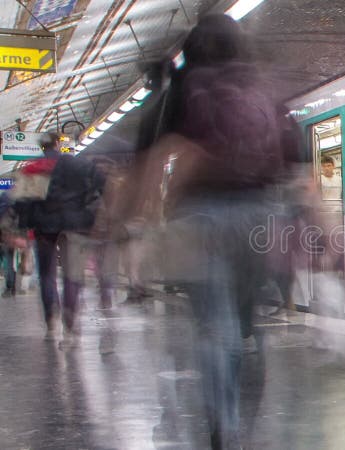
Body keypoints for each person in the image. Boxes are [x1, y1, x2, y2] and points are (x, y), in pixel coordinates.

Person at [131, 14, 300, 449]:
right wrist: (324, 229)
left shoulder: (184, 87)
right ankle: (247, 404)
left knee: (215, 325)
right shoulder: (262, 87)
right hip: (261, 217)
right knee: (248, 323)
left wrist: (148, 219)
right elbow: (298, 169)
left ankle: (225, 425)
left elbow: (163, 154)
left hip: (202, 215)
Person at [14, 131, 106, 346]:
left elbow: (23, 201)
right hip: (74, 225)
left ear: (41, 146)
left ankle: (51, 322)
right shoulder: (76, 164)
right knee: (72, 273)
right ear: (57, 143)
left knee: (47, 274)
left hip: (44, 227)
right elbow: (100, 181)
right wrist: (88, 210)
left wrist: (26, 226)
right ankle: (70, 325)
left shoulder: (34, 168)